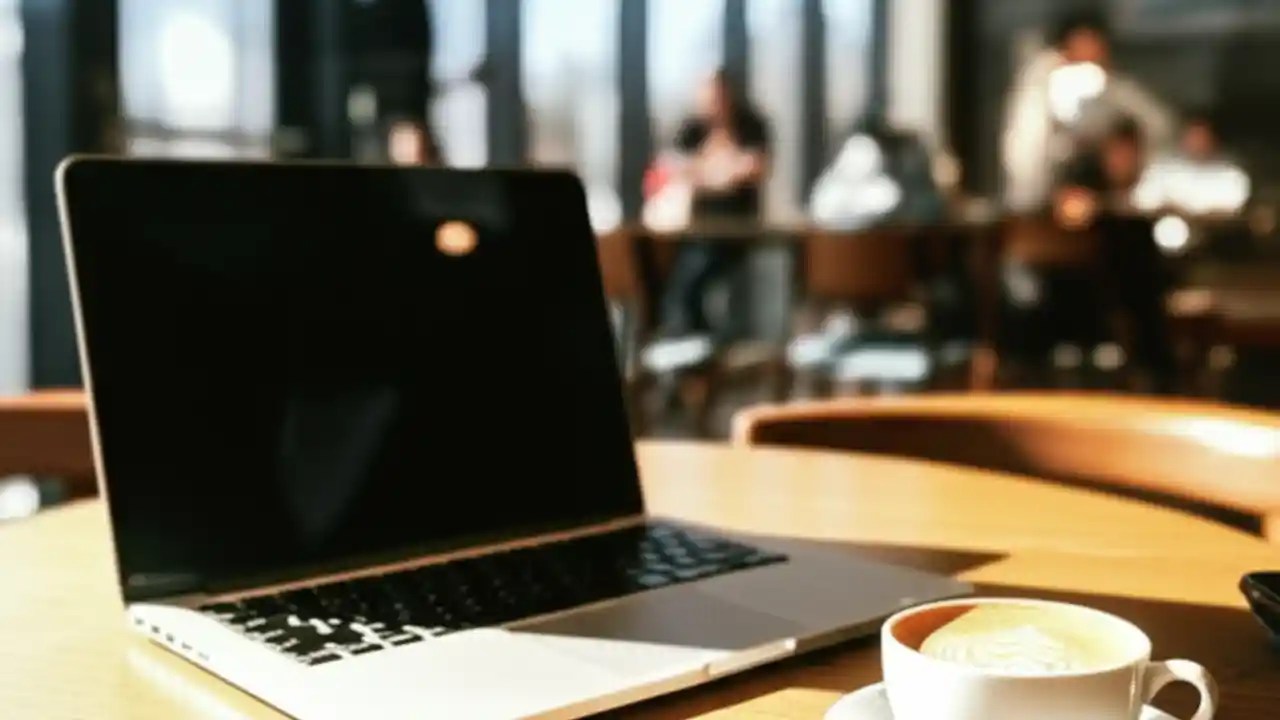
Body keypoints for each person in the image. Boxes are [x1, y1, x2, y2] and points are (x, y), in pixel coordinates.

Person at [1002, 11, 1174, 212]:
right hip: (1044, 199)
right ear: (1065, 48)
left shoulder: (1111, 86)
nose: (1092, 53)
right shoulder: (1038, 89)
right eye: (1083, 44)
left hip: (1107, 199)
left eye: (1096, 46)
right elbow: (1026, 156)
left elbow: (1159, 124)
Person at [661, 70, 770, 338]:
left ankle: (701, 341)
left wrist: (707, 171)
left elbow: (755, 168)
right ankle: (693, 340)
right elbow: (674, 168)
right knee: (673, 280)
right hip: (693, 226)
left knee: (692, 282)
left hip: (737, 226)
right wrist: (722, 170)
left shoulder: (750, 125)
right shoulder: (692, 129)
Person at [1133, 113, 1250, 216]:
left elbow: (1232, 210)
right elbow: (1142, 202)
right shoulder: (1161, 169)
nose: (1197, 141)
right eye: (1193, 135)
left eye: (1202, 136)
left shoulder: (1232, 175)